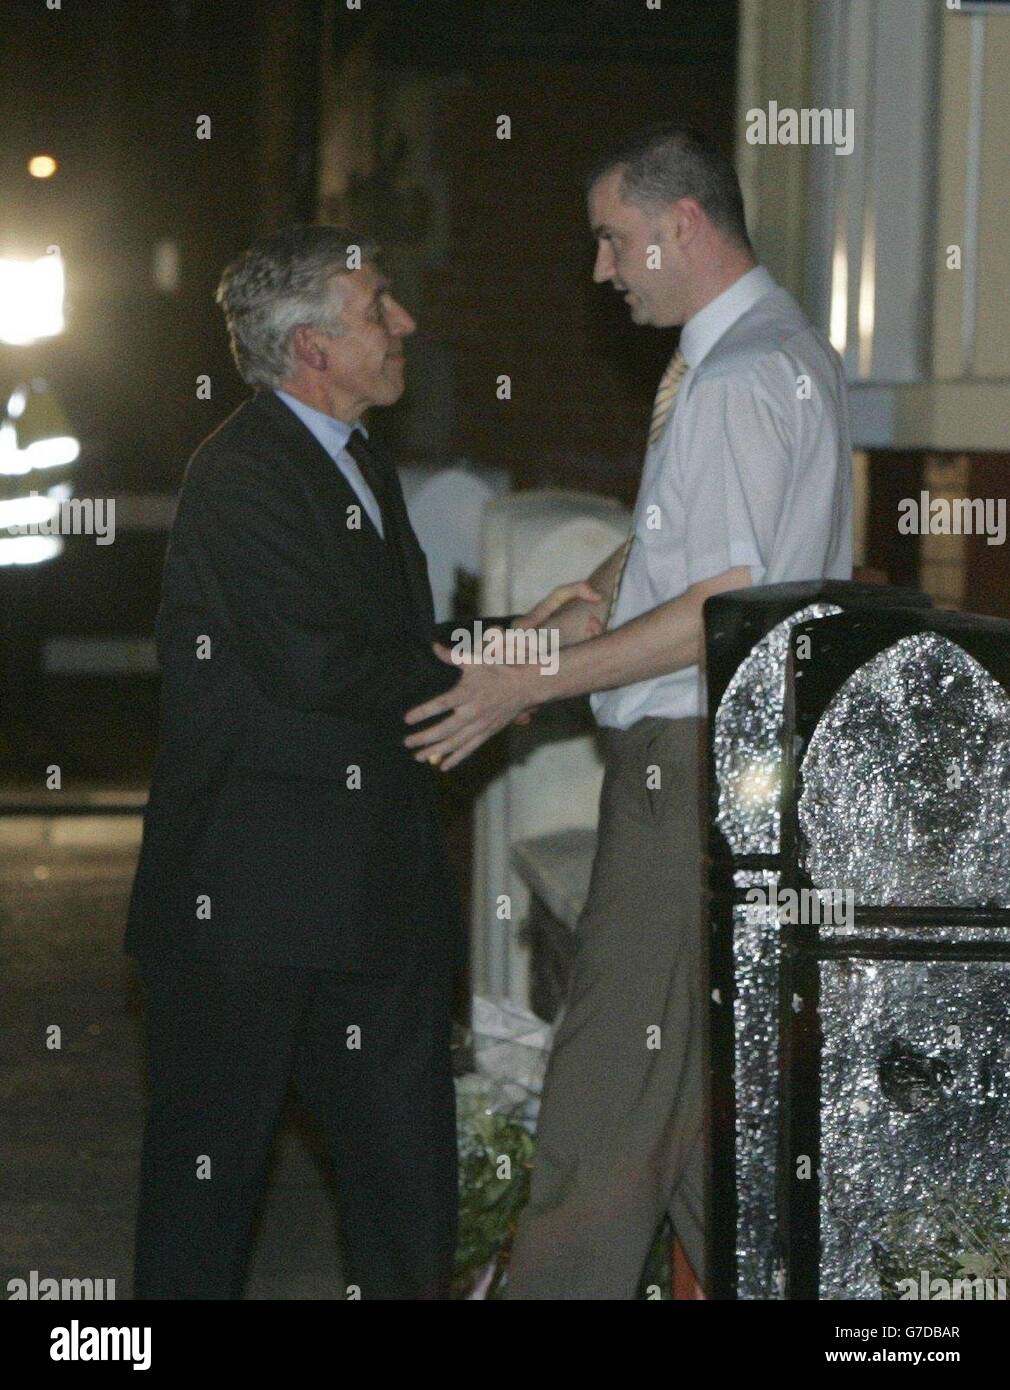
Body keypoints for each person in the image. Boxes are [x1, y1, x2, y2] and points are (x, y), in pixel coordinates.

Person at [403, 125, 854, 1298]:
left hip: (686, 753)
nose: (601, 270)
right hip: (733, 752)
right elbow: (707, 548)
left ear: (681, 224)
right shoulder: (773, 349)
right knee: (683, 1095)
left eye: (613, 241)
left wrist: (532, 680)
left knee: (604, 1088)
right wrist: (594, 591)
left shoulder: (735, 376)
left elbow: (723, 596)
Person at [126, 224, 468, 1299]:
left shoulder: (358, 459)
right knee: (206, 1196)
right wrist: (509, 659)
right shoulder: (243, 473)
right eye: (377, 307)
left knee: (406, 1185)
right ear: (312, 346)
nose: (403, 322)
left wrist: (521, 644)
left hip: (370, 901)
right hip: (247, 912)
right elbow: (323, 663)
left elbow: (384, 647)